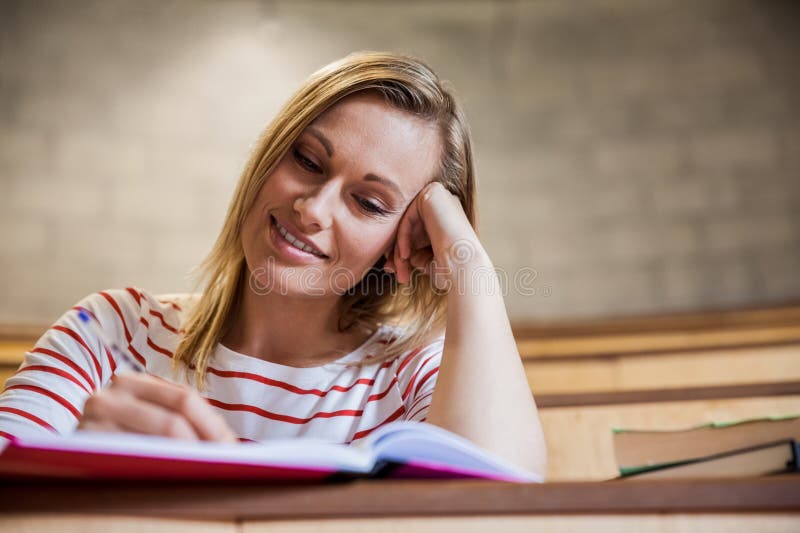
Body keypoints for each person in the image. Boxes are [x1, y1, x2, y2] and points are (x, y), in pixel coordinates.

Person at [0, 52, 547, 476]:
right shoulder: (114, 331)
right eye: (307, 160)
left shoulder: (408, 376)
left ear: (402, 240)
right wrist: (79, 467)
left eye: (369, 202)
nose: (312, 209)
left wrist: (468, 261)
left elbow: (494, 510)